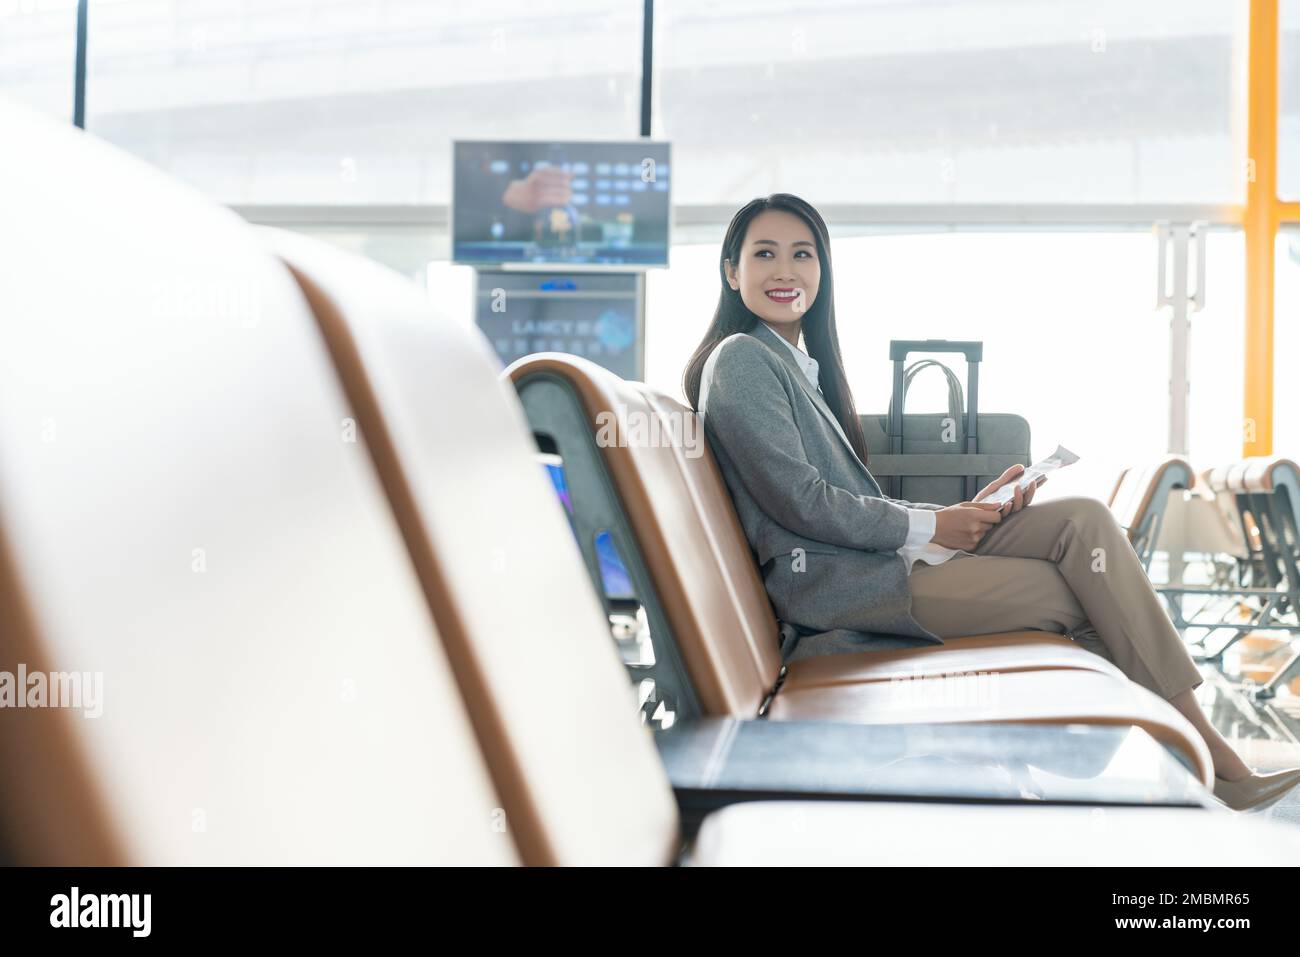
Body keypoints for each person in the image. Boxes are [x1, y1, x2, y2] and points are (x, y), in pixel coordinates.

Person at [681, 192, 1300, 812]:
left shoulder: (795, 364)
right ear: (732, 273)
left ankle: (1191, 756)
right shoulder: (743, 360)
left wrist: (967, 513)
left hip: (876, 567)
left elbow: (828, 500)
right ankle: (1197, 759)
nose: (785, 271)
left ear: (822, 270)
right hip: (842, 593)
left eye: (802, 254)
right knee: (1083, 596)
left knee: (1082, 520)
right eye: (764, 254)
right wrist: (934, 525)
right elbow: (803, 503)